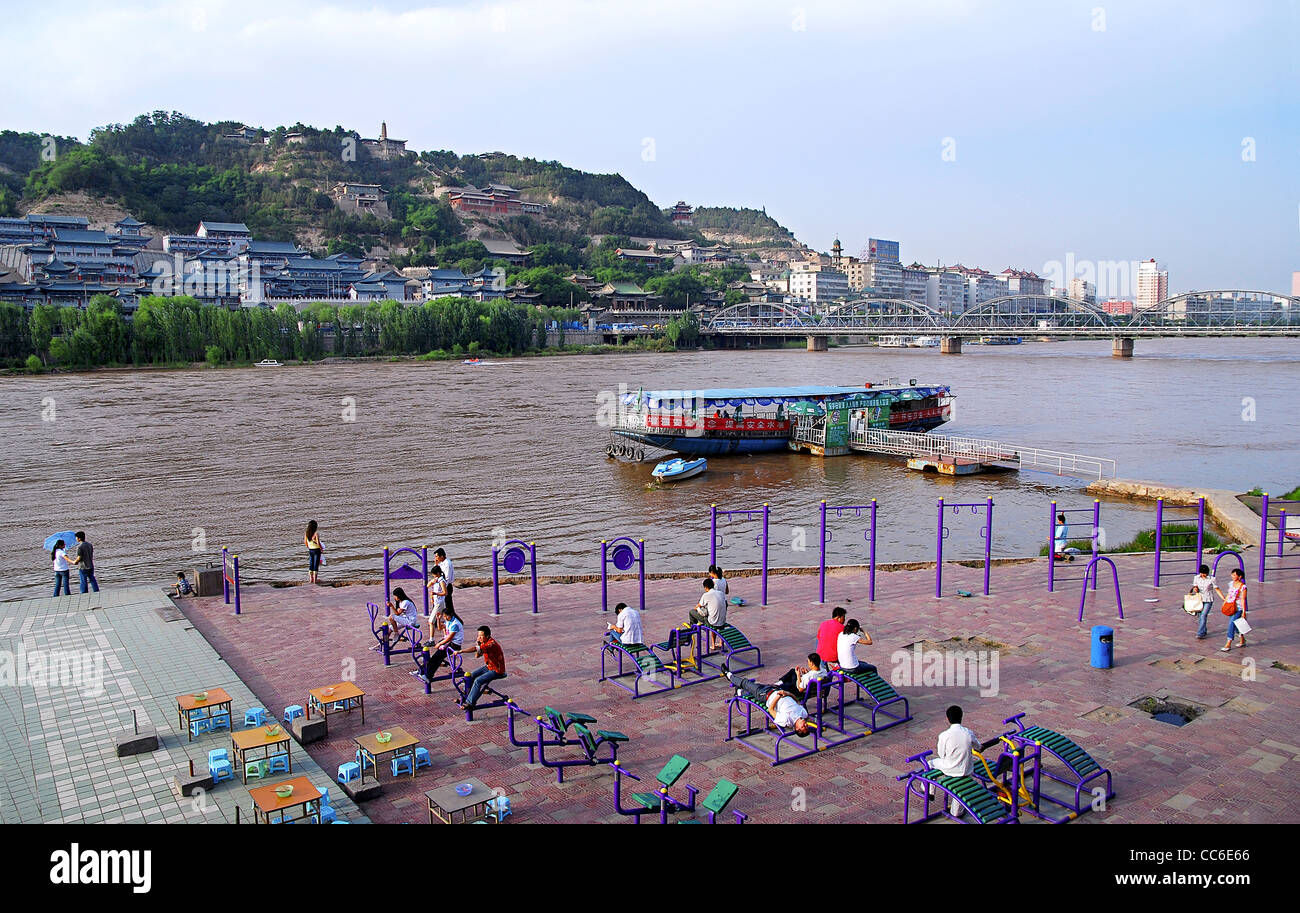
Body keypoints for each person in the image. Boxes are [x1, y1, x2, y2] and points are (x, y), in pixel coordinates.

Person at [723, 668, 813, 737]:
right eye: (806, 726)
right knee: (752, 688)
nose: (805, 725)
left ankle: (728, 675)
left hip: (766, 695)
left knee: (746, 683)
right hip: (777, 689)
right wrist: (787, 693)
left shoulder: (786, 721)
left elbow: (770, 709)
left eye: (803, 727)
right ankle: (739, 692)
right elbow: (796, 701)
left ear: (797, 728)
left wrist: (778, 696)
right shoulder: (804, 714)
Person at [931, 705, 982, 817]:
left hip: (950, 768)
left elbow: (941, 754)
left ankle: (929, 790)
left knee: (930, 763)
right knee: (957, 806)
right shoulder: (968, 732)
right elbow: (978, 746)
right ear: (961, 717)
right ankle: (956, 812)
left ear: (948, 719)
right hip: (966, 770)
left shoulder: (944, 735)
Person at [456, 625, 506, 710]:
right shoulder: (483, 643)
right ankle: (465, 696)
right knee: (471, 676)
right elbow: (477, 656)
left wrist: (461, 651)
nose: (479, 637)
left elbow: (475, 649)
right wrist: (478, 644)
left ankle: (470, 703)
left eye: (481, 636)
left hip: (497, 670)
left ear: (487, 636)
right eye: (478, 635)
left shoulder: (491, 644)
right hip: (489, 666)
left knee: (478, 681)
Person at [425, 603, 464, 680]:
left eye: (447, 616)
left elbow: (449, 638)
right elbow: (440, 628)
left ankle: (428, 675)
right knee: (435, 657)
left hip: (454, 645)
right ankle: (423, 671)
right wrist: (438, 619)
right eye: (444, 616)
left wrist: (439, 643)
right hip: (448, 643)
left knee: (436, 658)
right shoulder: (449, 621)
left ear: (451, 615)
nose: (445, 618)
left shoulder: (455, 624)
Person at [1216, 568, 1249, 652]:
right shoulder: (1231, 584)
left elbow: (1243, 600)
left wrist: (1244, 612)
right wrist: (1224, 603)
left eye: (1234, 575)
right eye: (1232, 574)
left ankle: (1228, 643)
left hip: (1238, 608)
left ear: (1239, 576)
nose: (1233, 576)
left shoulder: (1243, 587)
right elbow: (1229, 594)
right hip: (1230, 606)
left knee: (1231, 624)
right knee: (1237, 625)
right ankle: (1242, 640)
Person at [1190, 564, 1216, 640]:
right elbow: (1195, 586)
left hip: (1208, 599)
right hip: (1200, 599)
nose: (1203, 575)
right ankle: (1204, 630)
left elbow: (1216, 588)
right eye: (1201, 573)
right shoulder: (1196, 578)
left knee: (1203, 615)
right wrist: (1195, 589)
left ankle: (1200, 633)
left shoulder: (1212, 579)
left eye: (1204, 573)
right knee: (1200, 616)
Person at [434, 548, 455, 614]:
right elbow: (435, 571)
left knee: (448, 604)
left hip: (446, 586)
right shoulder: (441, 563)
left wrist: (443, 586)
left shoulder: (447, 564)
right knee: (443, 603)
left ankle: (452, 617)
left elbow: (447, 577)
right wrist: (436, 564)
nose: (436, 558)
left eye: (437, 556)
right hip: (442, 585)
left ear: (442, 556)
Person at [305, 520, 323, 585]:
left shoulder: (306, 534)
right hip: (316, 550)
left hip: (310, 550)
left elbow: (306, 543)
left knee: (311, 564)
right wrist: (321, 549)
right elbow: (318, 543)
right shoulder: (316, 534)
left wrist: (309, 547)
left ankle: (310, 579)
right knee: (316, 565)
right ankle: (315, 580)